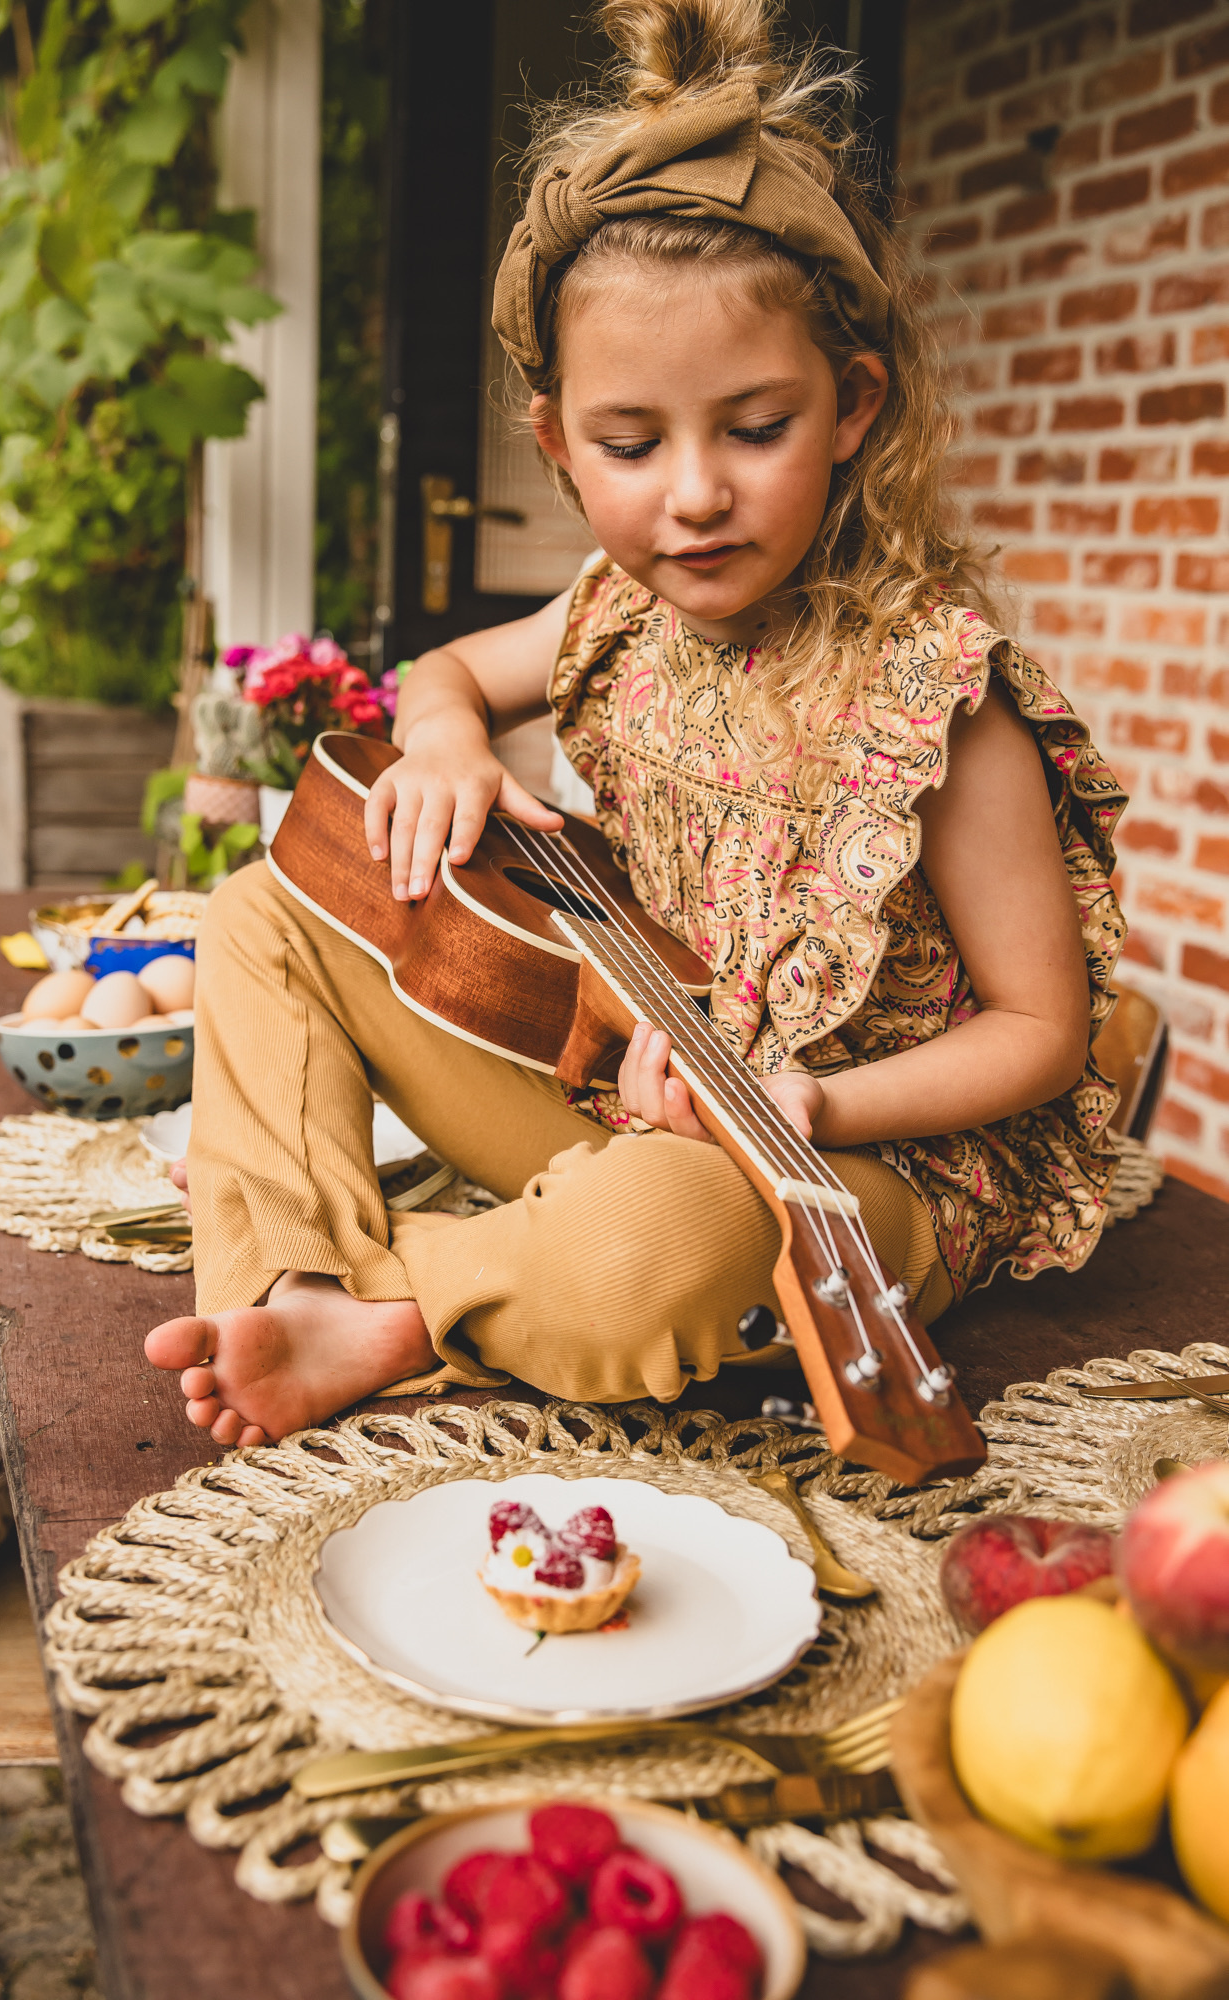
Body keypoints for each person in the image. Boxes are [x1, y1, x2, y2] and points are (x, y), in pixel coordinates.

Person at [146, 0, 1127, 1448]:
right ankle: (299, 1276)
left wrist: (814, 1102)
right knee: (260, 914)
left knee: (640, 1246)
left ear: (852, 407)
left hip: (842, 1167)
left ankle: (394, 1307)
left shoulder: (938, 701)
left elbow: (1045, 1031)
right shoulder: (616, 607)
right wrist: (444, 740)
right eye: (629, 443)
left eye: (752, 426)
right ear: (556, 441)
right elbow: (450, 673)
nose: (692, 495)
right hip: (623, 1086)